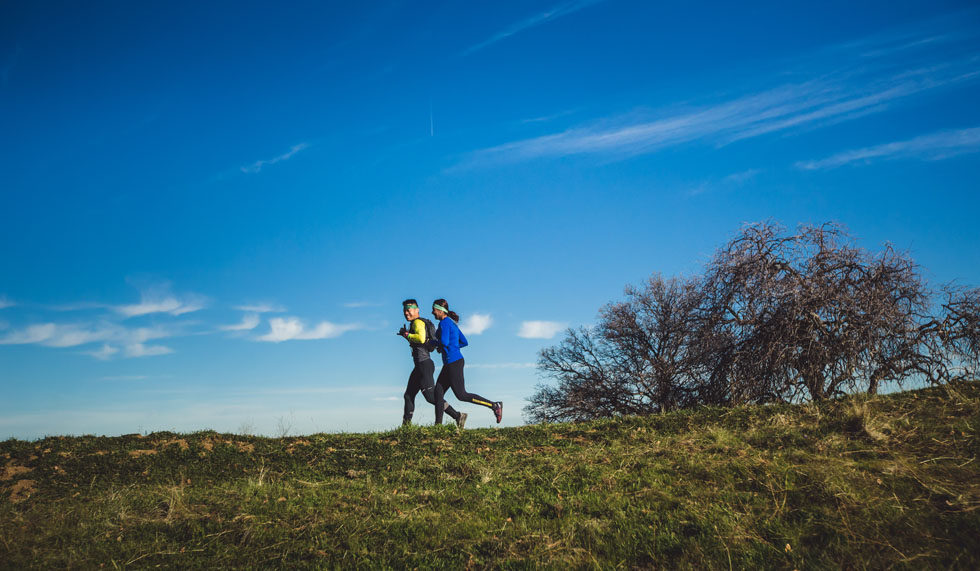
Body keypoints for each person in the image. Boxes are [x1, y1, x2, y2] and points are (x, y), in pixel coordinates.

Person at [431, 299, 503, 423]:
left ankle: (494, 405)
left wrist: (434, 343)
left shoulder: (444, 323)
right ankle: (437, 427)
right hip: (451, 362)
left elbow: (444, 342)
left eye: (434, 310)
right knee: (438, 392)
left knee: (461, 395)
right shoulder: (451, 323)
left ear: (440, 311)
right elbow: (464, 341)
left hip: (453, 363)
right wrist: (449, 348)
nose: (432, 312)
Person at [398, 299, 466, 428]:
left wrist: (407, 335)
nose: (406, 313)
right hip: (420, 365)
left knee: (431, 397)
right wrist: (406, 335)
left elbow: (421, 338)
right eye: (404, 311)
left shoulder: (417, 322)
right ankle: (405, 427)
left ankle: (457, 415)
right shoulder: (421, 322)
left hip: (424, 365)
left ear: (416, 310)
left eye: (409, 310)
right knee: (408, 395)